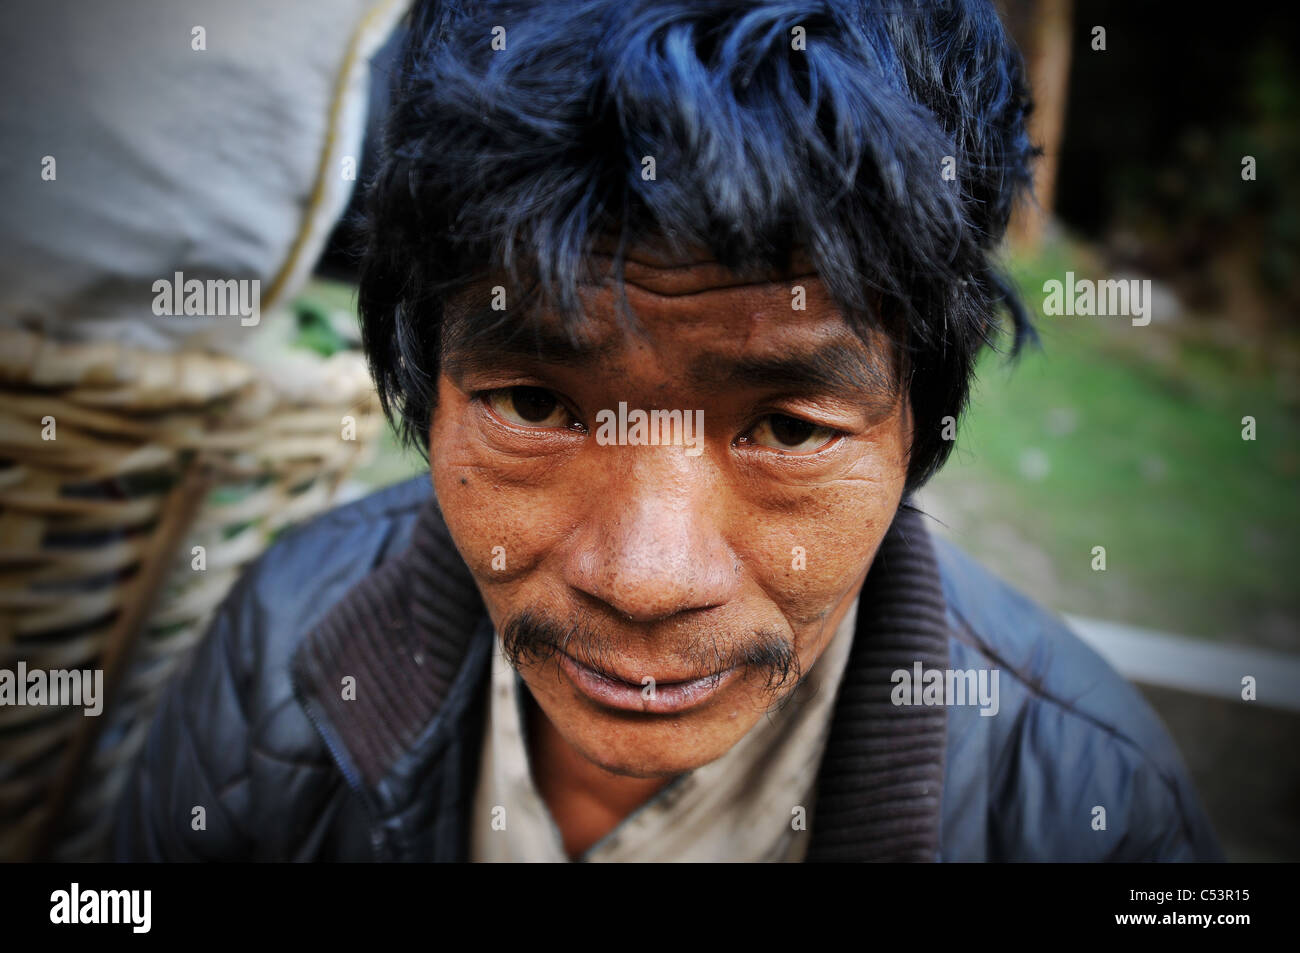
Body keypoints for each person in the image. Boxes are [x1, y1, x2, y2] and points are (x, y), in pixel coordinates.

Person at [114, 0, 1223, 862]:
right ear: (426, 383)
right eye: (536, 406)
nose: (645, 578)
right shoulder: (281, 655)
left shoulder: (1091, 808)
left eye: (785, 426)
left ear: (917, 425)